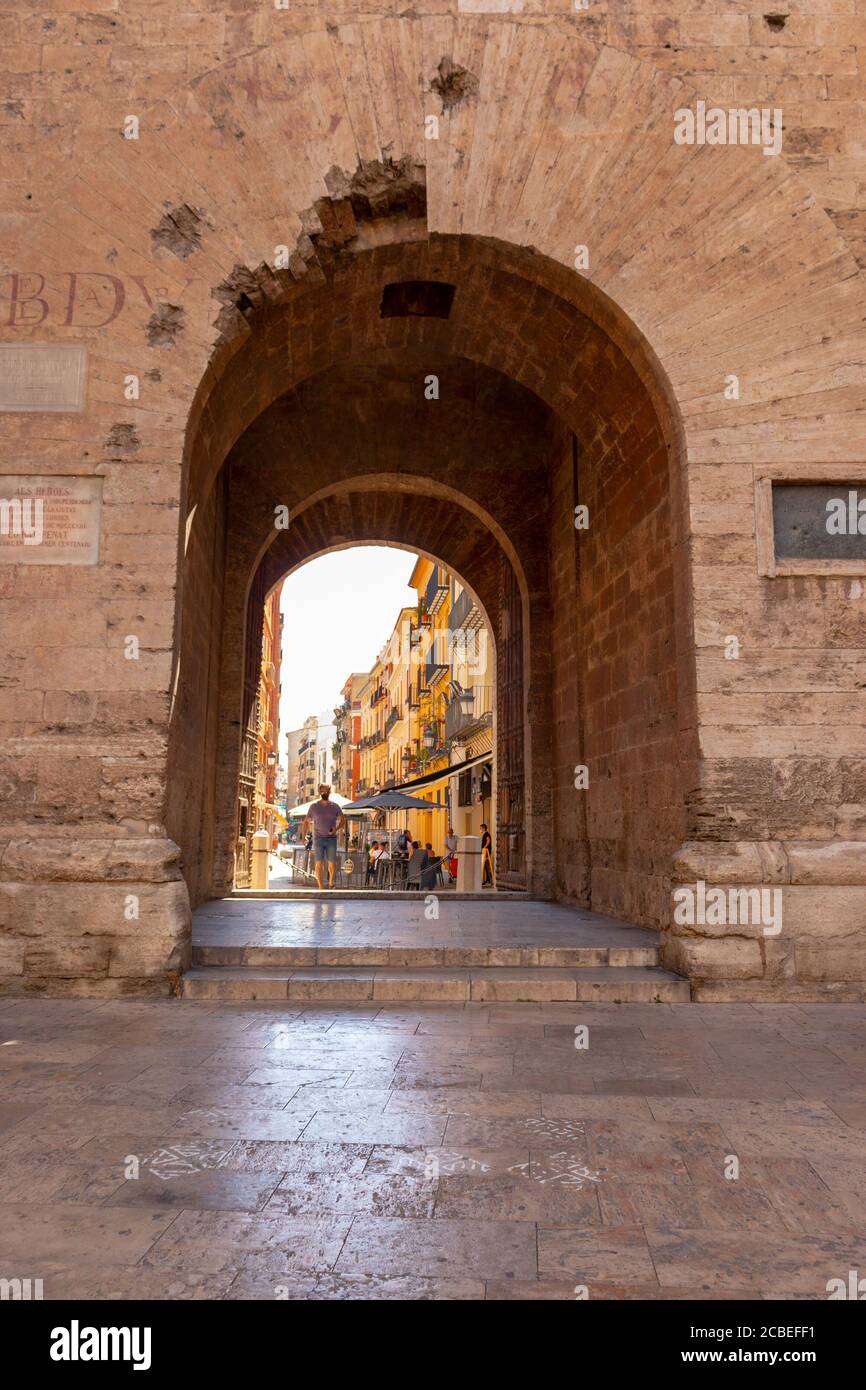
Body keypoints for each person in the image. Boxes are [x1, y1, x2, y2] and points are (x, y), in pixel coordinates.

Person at [302, 785, 345, 890]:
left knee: (332, 863)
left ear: (329, 792)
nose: (324, 793)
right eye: (322, 791)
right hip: (318, 839)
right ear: (319, 792)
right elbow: (306, 822)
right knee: (318, 863)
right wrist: (303, 837)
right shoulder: (314, 806)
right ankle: (321, 887)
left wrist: (336, 829)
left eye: (326, 791)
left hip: (331, 839)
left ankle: (331, 882)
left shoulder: (335, 806)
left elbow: (343, 820)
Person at [480, 822, 494, 887]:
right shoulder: (484, 834)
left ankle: (489, 879)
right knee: (485, 866)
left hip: (486, 851)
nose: (480, 829)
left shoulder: (486, 834)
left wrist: (485, 847)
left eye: (480, 828)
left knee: (487, 866)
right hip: (484, 851)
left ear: (483, 828)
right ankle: (487, 879)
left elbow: (488, 841)